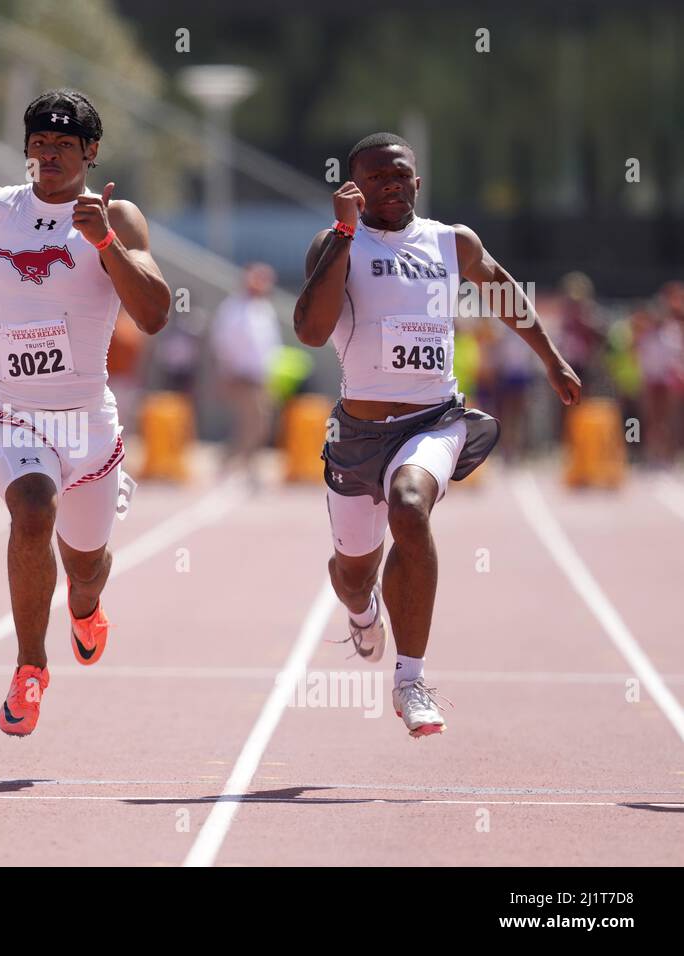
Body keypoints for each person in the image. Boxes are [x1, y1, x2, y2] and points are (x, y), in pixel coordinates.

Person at [292, 132, 581, 738]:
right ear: (355, 187)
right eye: (375, 179)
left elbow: (503, 290)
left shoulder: (452, 243)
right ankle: (362, 610)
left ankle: (409, 680)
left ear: (417, 180)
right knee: (351, 571)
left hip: (433, 420)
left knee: (410, 504)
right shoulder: (338, 242)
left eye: (400, 175)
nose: (390, 186)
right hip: (358, 433)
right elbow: (311, 331)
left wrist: (550, 358)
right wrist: (343, 235)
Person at [0, 89, 171, 736]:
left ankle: (87, 606)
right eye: (39, 144)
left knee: (85, 569)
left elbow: (155, 313)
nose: (48, 155)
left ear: (91, 151)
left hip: (85, 420)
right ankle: (31, 667)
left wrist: (104, 240)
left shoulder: (118, 217)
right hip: (14, 413)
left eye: (63, 145)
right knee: (31, 510)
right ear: (26, 149)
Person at [211, 262, 283, 480]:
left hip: (262, 377)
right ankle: (241, 466)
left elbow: (270, 344)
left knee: (258, 425)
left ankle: (236, 463)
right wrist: (228, 371)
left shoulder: (264, 308)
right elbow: (221, 342)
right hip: (241, 377)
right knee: (252, 424)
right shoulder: (233, 307)